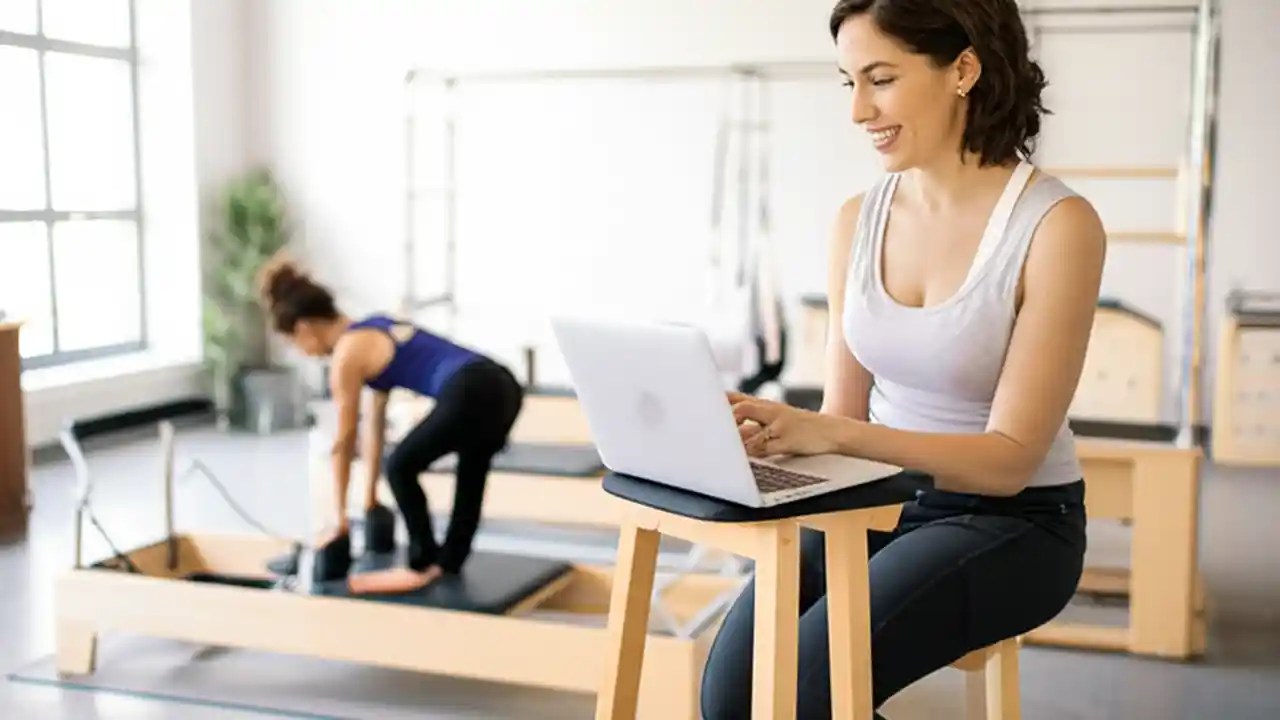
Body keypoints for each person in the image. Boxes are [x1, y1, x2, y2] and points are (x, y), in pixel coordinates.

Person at [702, 1, 1105, 718]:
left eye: (880, 79)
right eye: (847, 82)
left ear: (964, 69)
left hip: (1013, 522)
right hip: (876, 503)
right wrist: (760, 445)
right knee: (734, 698)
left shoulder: (1057, 225)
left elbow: (1010, 460)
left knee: (803, 697)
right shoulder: (859, 218)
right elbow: (840, 417)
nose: (859, 110)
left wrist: (833, 435)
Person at [259, 258, 524, 594]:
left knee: (400, 467)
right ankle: (446, 562)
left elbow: (344, 440)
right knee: (472, 466)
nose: (304, 352)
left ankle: (421, 562)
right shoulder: (374, 327)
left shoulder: (346, 355)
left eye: (296, 345)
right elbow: (373, 429)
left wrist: (337, 520)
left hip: (471, 387)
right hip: (503, 384)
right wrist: (368, 498)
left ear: (303, 329)